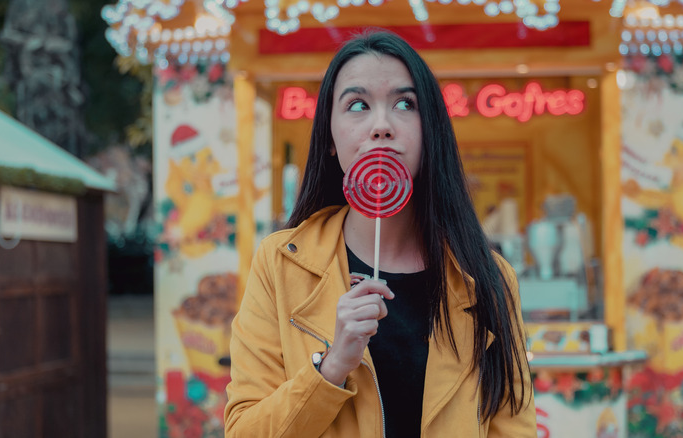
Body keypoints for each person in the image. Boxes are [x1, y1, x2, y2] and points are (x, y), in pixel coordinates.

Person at [225, 29, 535, 437]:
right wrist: (332, 366)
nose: (382, 126)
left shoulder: (489, 279)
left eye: (405, 104)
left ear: (431, 131)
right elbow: (243, 430)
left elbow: (512, 428)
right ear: (330, 138)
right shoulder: (281, 264)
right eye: (357, 105)